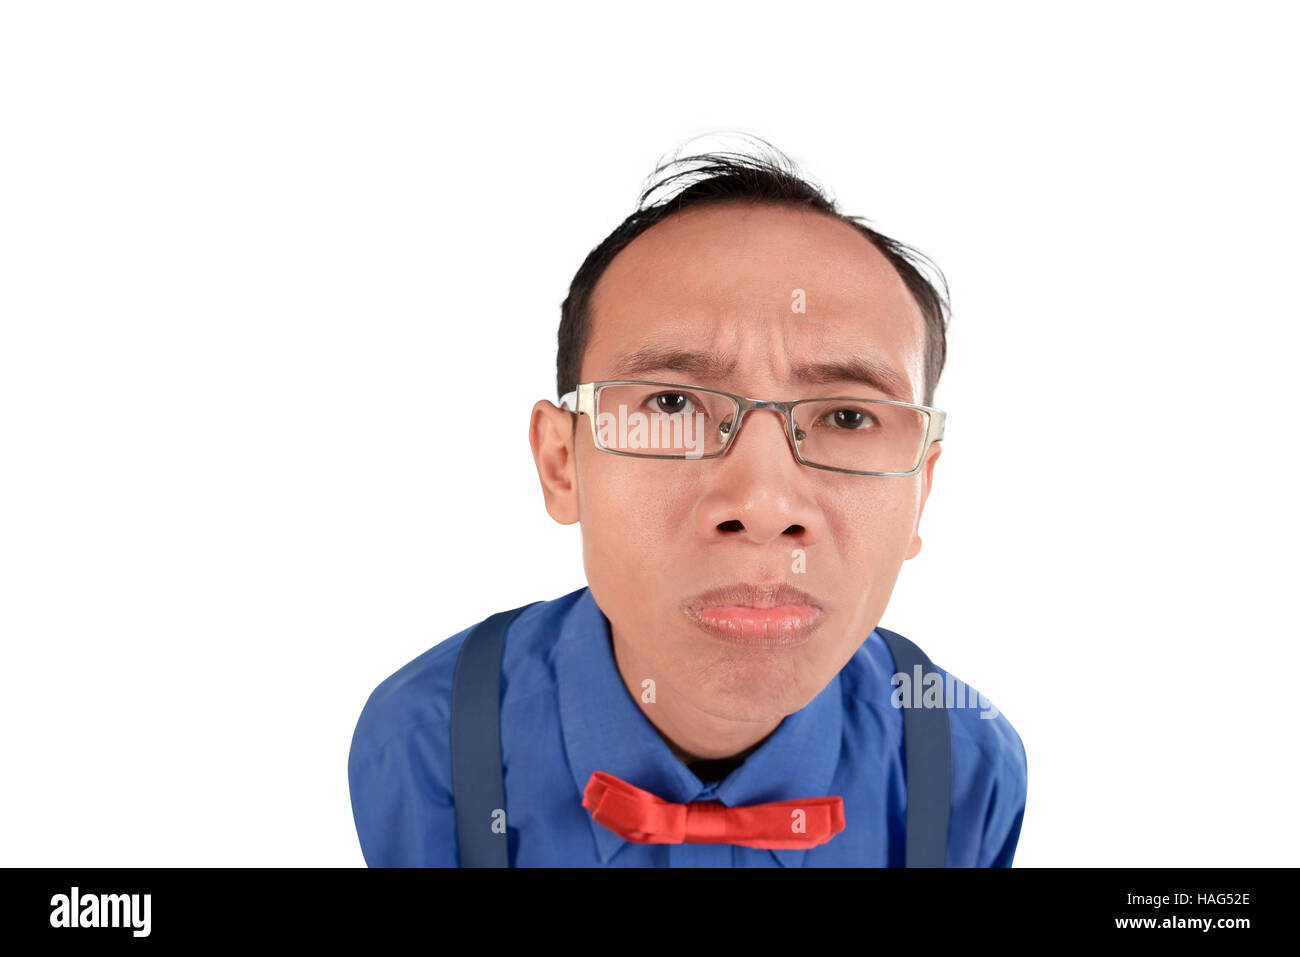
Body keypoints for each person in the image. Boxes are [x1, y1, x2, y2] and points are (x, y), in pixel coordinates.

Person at [347, 138, 1028, 867]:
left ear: (921, 488)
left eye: (849, 417)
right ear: (560, 463)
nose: (764, 504)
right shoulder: (421, 738)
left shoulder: (967, 766)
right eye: (672, 403)